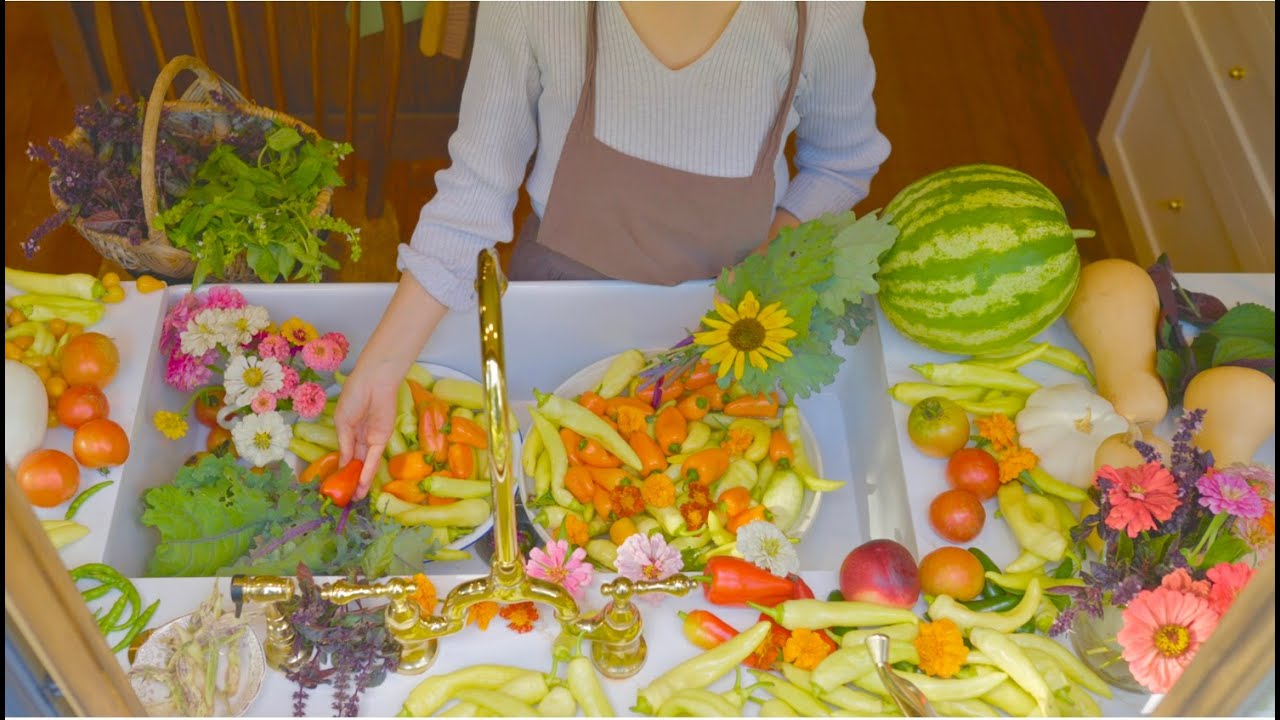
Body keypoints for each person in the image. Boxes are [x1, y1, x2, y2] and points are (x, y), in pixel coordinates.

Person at [336, 1, 891, 496]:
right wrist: (380, 370)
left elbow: (842, 161)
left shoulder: (818, 11)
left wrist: (762, 278)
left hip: (727, 334)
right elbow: (477, 191)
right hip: (560, 304)